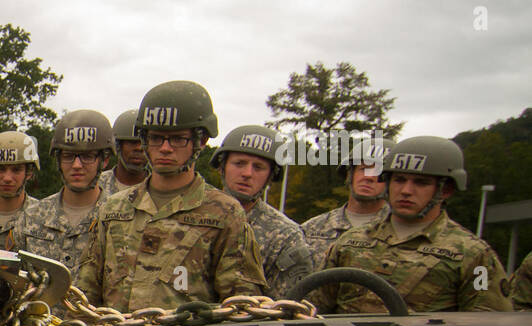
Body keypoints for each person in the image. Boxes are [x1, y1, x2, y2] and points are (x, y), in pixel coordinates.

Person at [76, 81, 267, 310]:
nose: (165, 148)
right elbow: (86, 295)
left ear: (201, 141)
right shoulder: (113, 209)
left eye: (178, 139)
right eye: (156, 138)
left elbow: (241, 305)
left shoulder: (224, 213)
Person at [313, 136, 511, 313]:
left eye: (421, 182)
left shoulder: (473, 255)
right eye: (399, 180)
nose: (406, 190)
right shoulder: (350, 242)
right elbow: (313, 306)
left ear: (446, 190)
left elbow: (486, 325)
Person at [212, 124, 314, 299]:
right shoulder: (188, 214)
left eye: (258, 167)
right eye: (239, 163)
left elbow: (285, 308)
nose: (247, 173)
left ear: (270, 176)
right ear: (222, 167)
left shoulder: (285, 236)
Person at [7, 110, 114, 275]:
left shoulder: (117, 218)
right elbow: (12, 279)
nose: (77, 165)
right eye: (68, 156)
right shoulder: (31, 218)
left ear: (104, 160)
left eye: (87, 156)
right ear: (58, 160)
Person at [301, 137, 392, 268]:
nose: (369, 177)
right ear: (350, 173)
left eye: (379, 172)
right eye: (364, 168)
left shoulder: (399, 233)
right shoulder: (311, 229)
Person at [0, 130, 39, 248]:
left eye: (16, 170)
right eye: (1, 169)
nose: (7, 178)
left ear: (29, 173)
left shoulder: (44, 218)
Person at [99, 109, 148, 199]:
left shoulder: (160, 186)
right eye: (132, 142)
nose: (139, 148)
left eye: (144, 143)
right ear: (118, 146)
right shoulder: (97, 186)